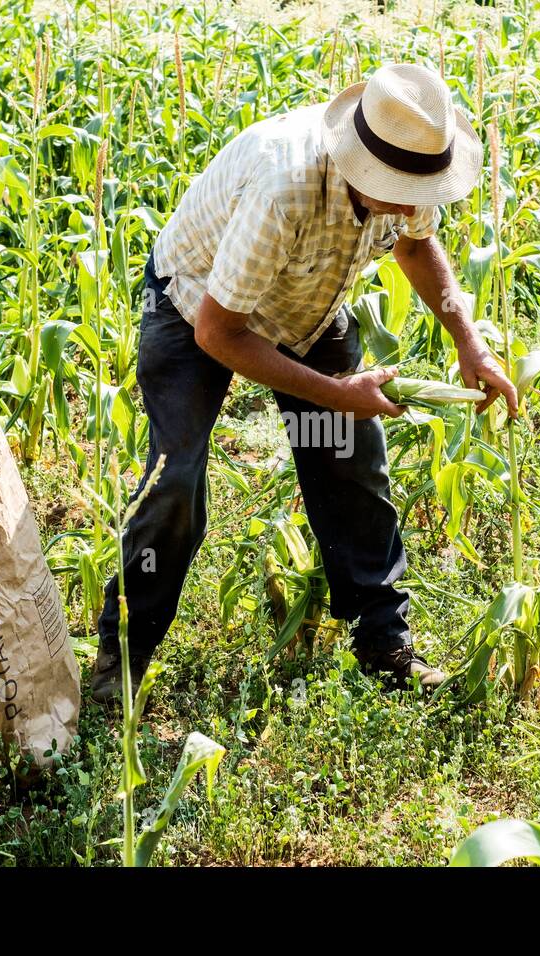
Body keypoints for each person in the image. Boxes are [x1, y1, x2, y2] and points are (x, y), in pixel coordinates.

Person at [90, 63, 517, 702]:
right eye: (397, 189)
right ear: (360, 165)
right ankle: (122, 656)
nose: (410, 205)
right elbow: (221, 334)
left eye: (417, 189)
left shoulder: (409, 165)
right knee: (173, 479)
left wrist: (469, 339)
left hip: (306, 309)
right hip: (196, 310)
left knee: (351, 464)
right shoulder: (284, 186)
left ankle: (382, 642)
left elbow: (413, 248)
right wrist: (336, 396)